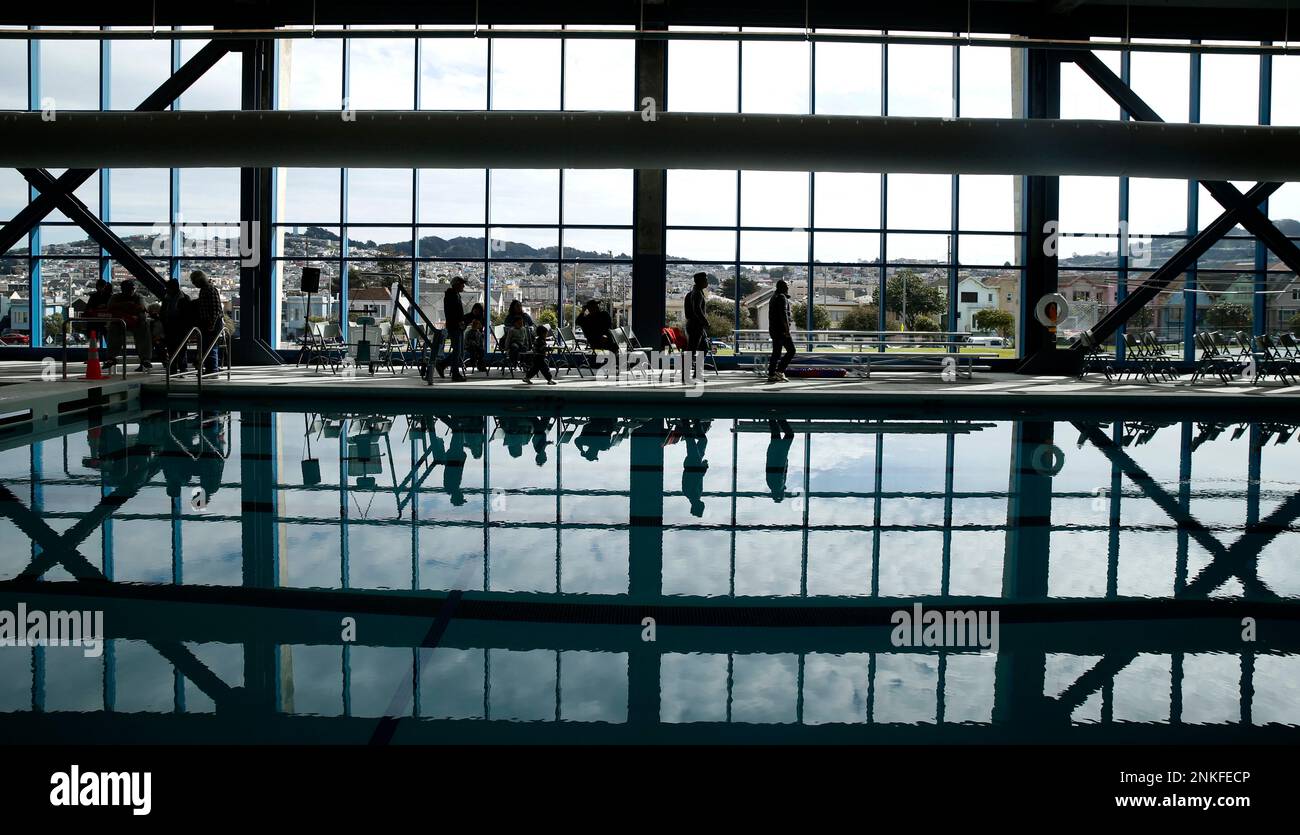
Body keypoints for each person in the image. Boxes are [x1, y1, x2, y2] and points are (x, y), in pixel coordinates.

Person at [105, 280, 152, 372]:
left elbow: (143, 308)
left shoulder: (138, 297)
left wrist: (122, 308)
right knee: (113, 329)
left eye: (132, 289)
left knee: (144, 328)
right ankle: (111, 356)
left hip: (135, 322)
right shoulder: (116, 297)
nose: (130, 291)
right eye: (128, 290)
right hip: (120, 322)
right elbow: (109, 307)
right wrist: (130, 306)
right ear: (123, 290)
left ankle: (145, 358)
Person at [190, 270, 224, 374]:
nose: (194, 284)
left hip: (211, 323)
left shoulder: (208, 289)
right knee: (208, 346)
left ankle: (212, 369)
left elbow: (215, 310)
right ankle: (211, 368)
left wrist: (211, 324)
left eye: (194, 282)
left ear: (199, 280)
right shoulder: (207, 289)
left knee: (210, 346)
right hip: (209, 322)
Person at [435, 277, 468, 382]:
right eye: (462, 284)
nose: (463, 286)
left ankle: (442, 364)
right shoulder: (452, 296)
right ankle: (455, 373)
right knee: (458, 351)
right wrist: (460, 322)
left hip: (456, 326)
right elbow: (452, 313)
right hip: (455, 327)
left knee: (459, 351)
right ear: (456, 285)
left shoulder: (454, 295)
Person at [160, 277, 195, 372]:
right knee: (178, 348)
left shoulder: (168, 298)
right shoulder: (183, 298)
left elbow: (163, 312)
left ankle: (177, 368)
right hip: (174, 326)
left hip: (178, 327)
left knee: (177, 348)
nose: (167, 290)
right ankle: (179, 368)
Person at [767, 279, 796, 383]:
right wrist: (787, 330)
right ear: (782, 287)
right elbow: (783, 315)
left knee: (776, 353)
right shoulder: (782, 297)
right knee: (791, 351)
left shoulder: (773, 298)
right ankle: (779, 371)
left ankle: (772, 374)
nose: (788, 287)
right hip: (782, 331)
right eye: (786, 286)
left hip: (774, 330)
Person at [684, 272, 711, 382]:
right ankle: (688, 375)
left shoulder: (694, 293)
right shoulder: (697, 294)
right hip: (696, 326)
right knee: (692, 351)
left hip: (695, 325)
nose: (707, 282)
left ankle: (697, 374)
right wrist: (706, 322)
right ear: (699, 281)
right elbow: (697, 310)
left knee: (703, 348)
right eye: (705, 280)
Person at [766, 419, 794, 502]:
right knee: (775, 434)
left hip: (779, 454)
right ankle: (772, 418)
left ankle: (780, 418)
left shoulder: (779, 485)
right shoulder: (771, 485)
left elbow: (781, 470)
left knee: (789, 435)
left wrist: (785, 458)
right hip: (773, 454)